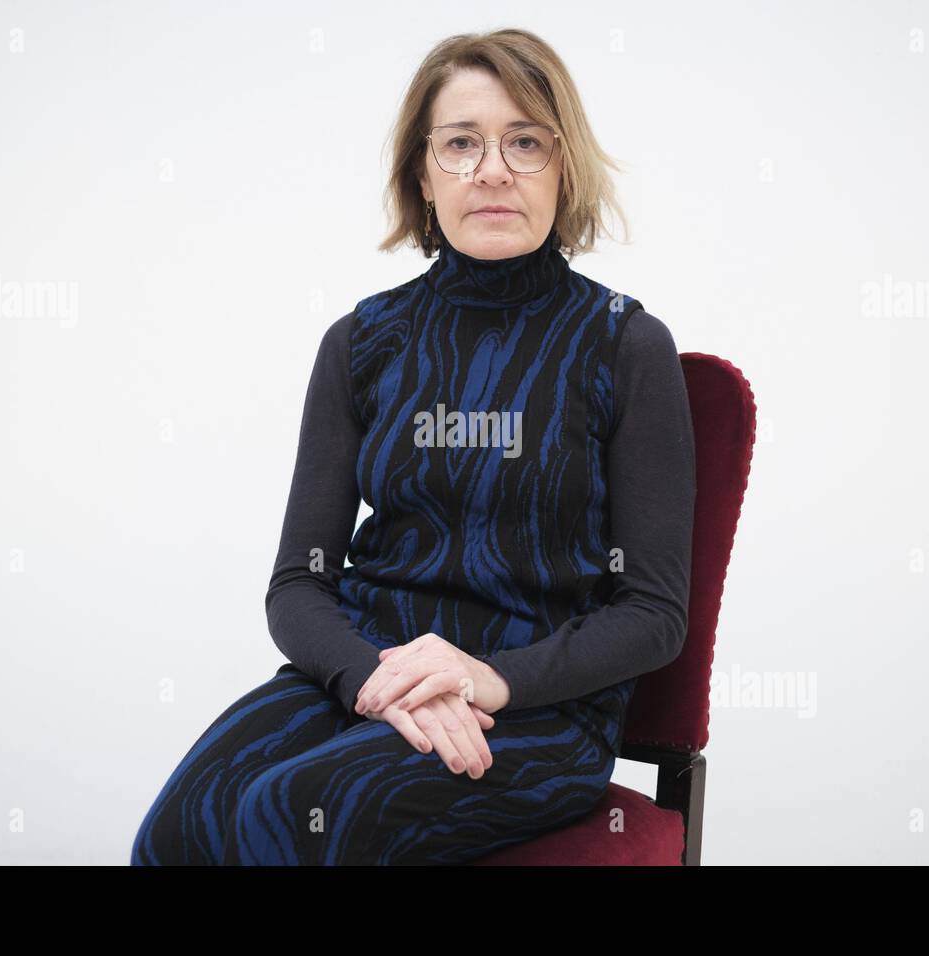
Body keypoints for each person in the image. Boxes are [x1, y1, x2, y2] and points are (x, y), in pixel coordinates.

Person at [130, 27, 696, 866]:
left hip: (537, 704)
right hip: (371, 672)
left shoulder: (623, 344)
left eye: (526, 141)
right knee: (178, 832)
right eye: (461, 142)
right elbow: (298, 583)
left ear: (564, 167)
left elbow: (654, 616)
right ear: (422, 174)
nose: (493, 169)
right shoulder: (363, 341)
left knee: (292, 815)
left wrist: (483, 678)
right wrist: (372, 680)